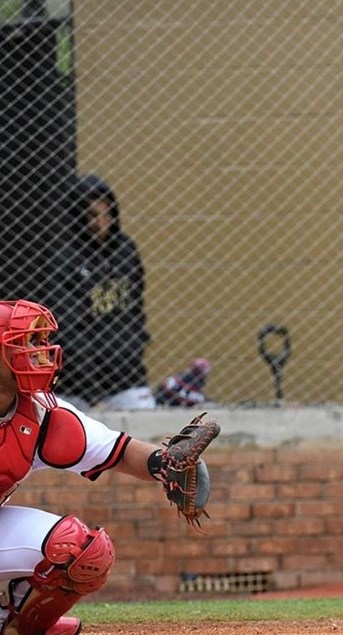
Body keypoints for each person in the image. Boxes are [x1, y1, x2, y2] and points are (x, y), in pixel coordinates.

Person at [0, 299, 212, 635]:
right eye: (25, 343)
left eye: (41, 342)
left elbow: (119, 450)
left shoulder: (39, 413)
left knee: (82, 550)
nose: (39, 352)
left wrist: (164, 463)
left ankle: (15, 626)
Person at [40, 173, 154, 410]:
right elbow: (68, 328)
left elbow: (136, 311)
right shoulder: (65, 259)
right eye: (92, 215)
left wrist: (134, 346)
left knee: (146, 438)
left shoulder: (126, 251)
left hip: (125, 376)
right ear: (78, 217)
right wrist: (92, 388)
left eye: (107, 213)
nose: (101, 222)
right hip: (78, 385)